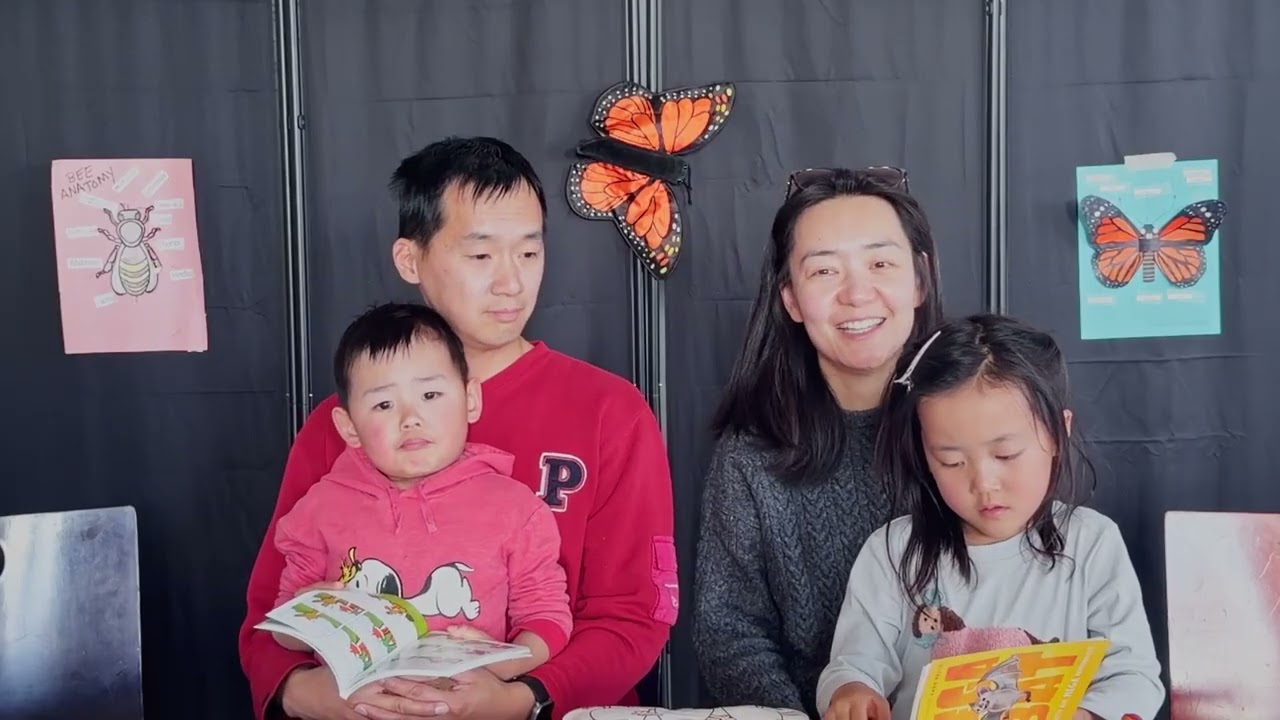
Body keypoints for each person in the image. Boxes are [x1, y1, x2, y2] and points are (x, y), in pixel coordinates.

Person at [238, 137, 677, 720]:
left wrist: (523, 699)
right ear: (409, 260)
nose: (511, 283)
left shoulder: (609, 412)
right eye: (480, 256)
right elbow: (271, 614)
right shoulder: (340, 428)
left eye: (529, 253)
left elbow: (634, 617)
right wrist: (307, 694)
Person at [817, 314, 1164, 720]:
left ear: (1056, 434)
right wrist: (852, 690)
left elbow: (1134, 675)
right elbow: (852, 664)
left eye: (1006, 455)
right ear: (924, 454)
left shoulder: (1092, 542)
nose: (984, 483)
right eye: (951, 461)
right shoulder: (892, 551)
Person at [693, 167, 944, 718]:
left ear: (920, 281)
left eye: (881, 263)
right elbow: (729, 631)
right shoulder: (750, 457)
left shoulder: (974, 424)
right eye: (825, 270)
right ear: (790, 297)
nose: (857, 293)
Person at [268, 302, 571, 682]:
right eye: (383, 404)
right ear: (348, 428)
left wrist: (505, 665)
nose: (410, 418)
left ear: (471, 400)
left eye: (430, 396)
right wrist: (310, 610)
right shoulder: (319, 507)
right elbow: (282, 630)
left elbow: (547, 618)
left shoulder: (516, 509)